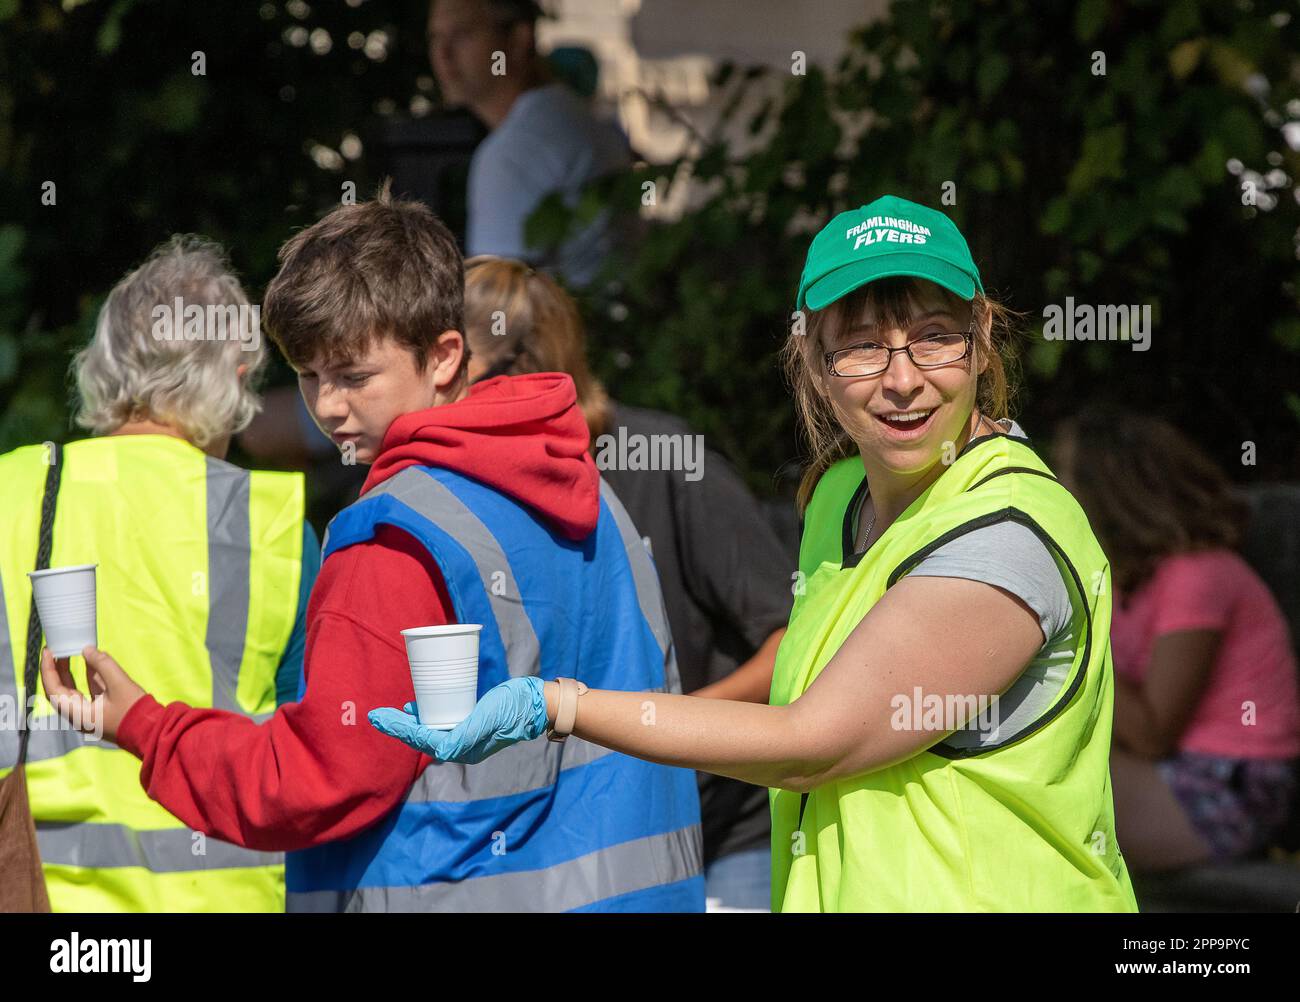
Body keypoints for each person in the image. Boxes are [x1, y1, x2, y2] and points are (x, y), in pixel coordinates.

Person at [364, 194, 1140, 913]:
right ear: (813, 363)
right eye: (863, 346)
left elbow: (811, 743)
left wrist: (557, 706)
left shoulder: (1005, 529)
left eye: (934, 339)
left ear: (982, 341)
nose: (903, 380)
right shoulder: (839, 496)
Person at [39, 186, 704, 912]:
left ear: (445, 356)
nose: (326, 405)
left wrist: (146, 726)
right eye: (308, 374)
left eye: (354, 376)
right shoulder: (589, 491)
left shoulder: (395, 533)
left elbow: (316, 777)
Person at [462, 255, 791, 909]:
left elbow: (790, 638)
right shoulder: (475, 494)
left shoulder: (669, 461)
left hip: (729, 831)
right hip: (589, 833)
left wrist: (667, 738)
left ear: (521, 369)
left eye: (454, 367)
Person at [0, 235, 317, 911]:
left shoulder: (11, 491)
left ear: (102, 366)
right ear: (235, 378)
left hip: (45, 898)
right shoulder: (275, 525)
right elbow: (311, 758)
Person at [1052, 403, 1300, 871]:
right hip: (1171, 772)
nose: (1056, 493)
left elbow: (1151, 735)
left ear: (1110, 493)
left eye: (1066, 477)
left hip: (1228, 785)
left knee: (1036, 786)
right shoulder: (1127, 577)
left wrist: (1072, 639)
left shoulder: (1197, 576)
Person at [427, 0, 630, 287]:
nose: (443, 54)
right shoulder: (569, 112)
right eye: (435, 37)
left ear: (518, 40)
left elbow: (498, 314)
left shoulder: (513, 152)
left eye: (463, 34)